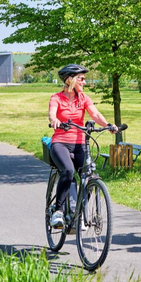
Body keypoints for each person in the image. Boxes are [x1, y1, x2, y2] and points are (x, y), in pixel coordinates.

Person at [48, 64, 117, 229]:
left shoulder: (84, 98)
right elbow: (52, 113)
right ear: (70, 79)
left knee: (89, 176)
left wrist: (108, 125)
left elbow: (95, 114)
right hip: (61, 142)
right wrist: (55, 121)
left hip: (80, 144)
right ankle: (58, 210)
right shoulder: (56, 98)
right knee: (68, 171)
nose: (84, 82)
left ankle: (78, 211)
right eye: (81, 78)